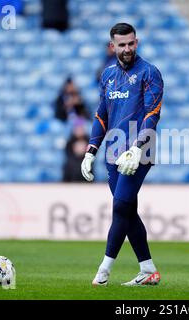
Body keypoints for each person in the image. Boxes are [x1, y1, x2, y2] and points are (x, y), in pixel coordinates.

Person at [80, 23, 163, 286]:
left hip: (141, 150)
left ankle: (104, 270)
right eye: (121, 44)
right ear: (112, 46)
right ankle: (148, 270)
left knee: (120, 205)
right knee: (127, 209)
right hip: (113, 153)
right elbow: (101, 115)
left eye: (131, 44)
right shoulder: (107, 75)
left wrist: (137, 147)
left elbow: (153, 113)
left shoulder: (150, 72)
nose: (127, 49)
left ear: (136, 42)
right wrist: (91, 151)